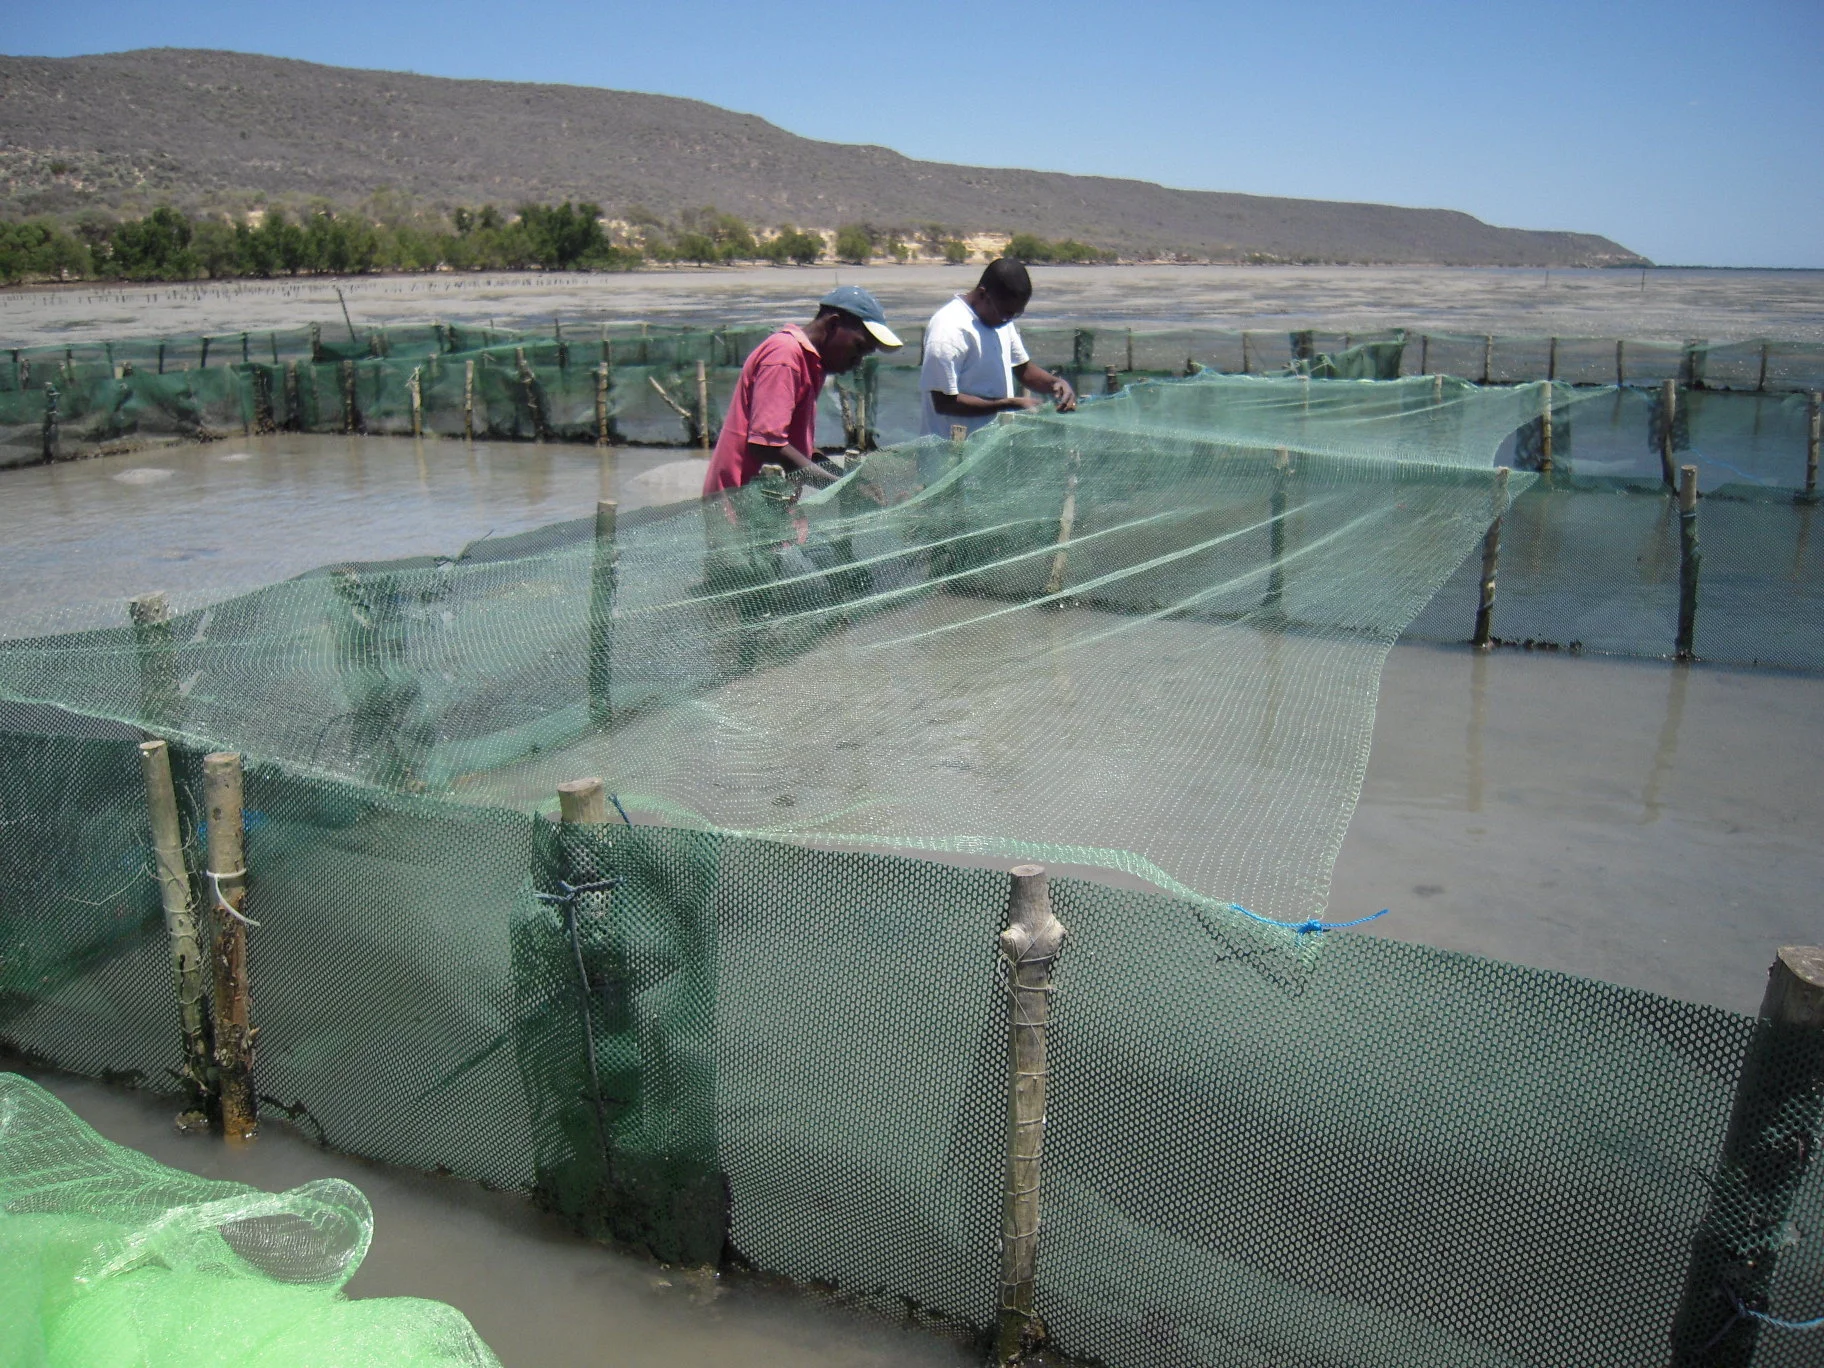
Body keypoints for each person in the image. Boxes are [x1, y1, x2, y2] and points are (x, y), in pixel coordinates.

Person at [702, 285, 902, 496]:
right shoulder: (785, 356)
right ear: (833, 324)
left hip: (770, 505)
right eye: (858, 348)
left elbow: (795, 448)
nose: (858, 362)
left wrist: (846, 480)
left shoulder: (811, 363)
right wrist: (842, 489)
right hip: (740, 508)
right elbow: (767, 445)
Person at [919, 258, 1076, 440]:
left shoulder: (1001, 321)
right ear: (983, 294)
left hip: (990, 450)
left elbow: (1023, 369)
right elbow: (944, 403)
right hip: (950, 454)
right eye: (1006, 313)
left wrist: (1055, 384)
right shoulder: (948, 330)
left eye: (1016, 314)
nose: (1009, 319)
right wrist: (1008, 404)